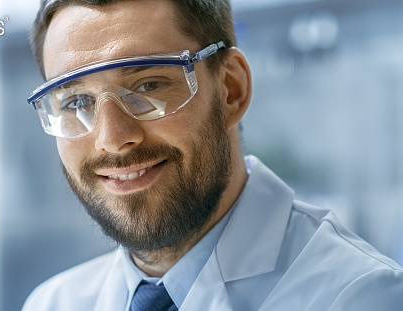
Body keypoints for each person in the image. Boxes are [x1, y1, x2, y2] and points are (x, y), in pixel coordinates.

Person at [22, 0, 403, 310]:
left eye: (149, 84)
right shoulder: (54, 302)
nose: (111, 139)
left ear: (231, 90)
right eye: (75, 102)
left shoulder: (360, 296)